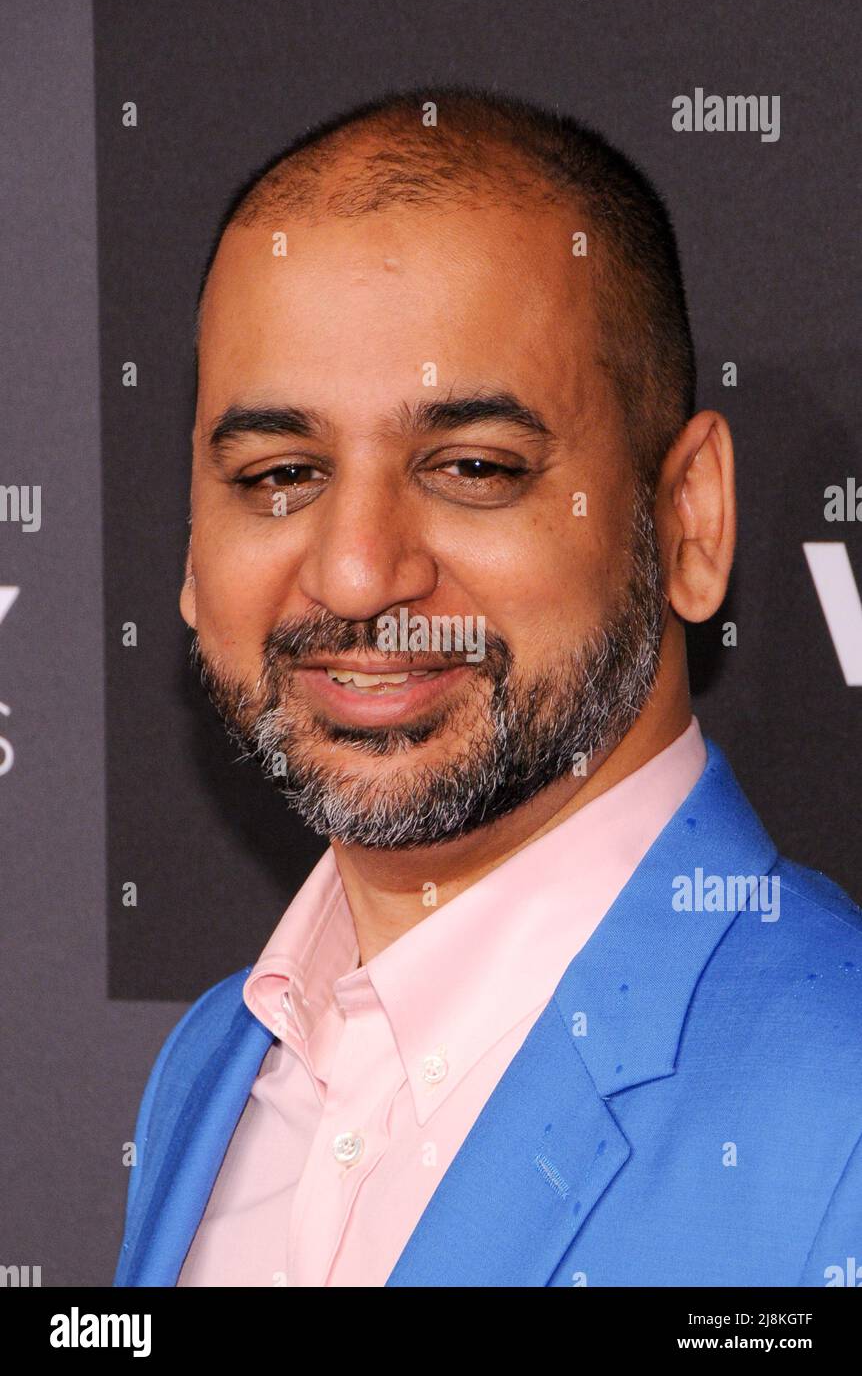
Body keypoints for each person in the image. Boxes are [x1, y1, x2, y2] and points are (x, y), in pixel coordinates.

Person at [114, 88, 862, 1288]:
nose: (357, 569)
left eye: (471, 466)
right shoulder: (209, 1067)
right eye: (280, 473)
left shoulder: (843, 1120)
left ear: (688, 519)